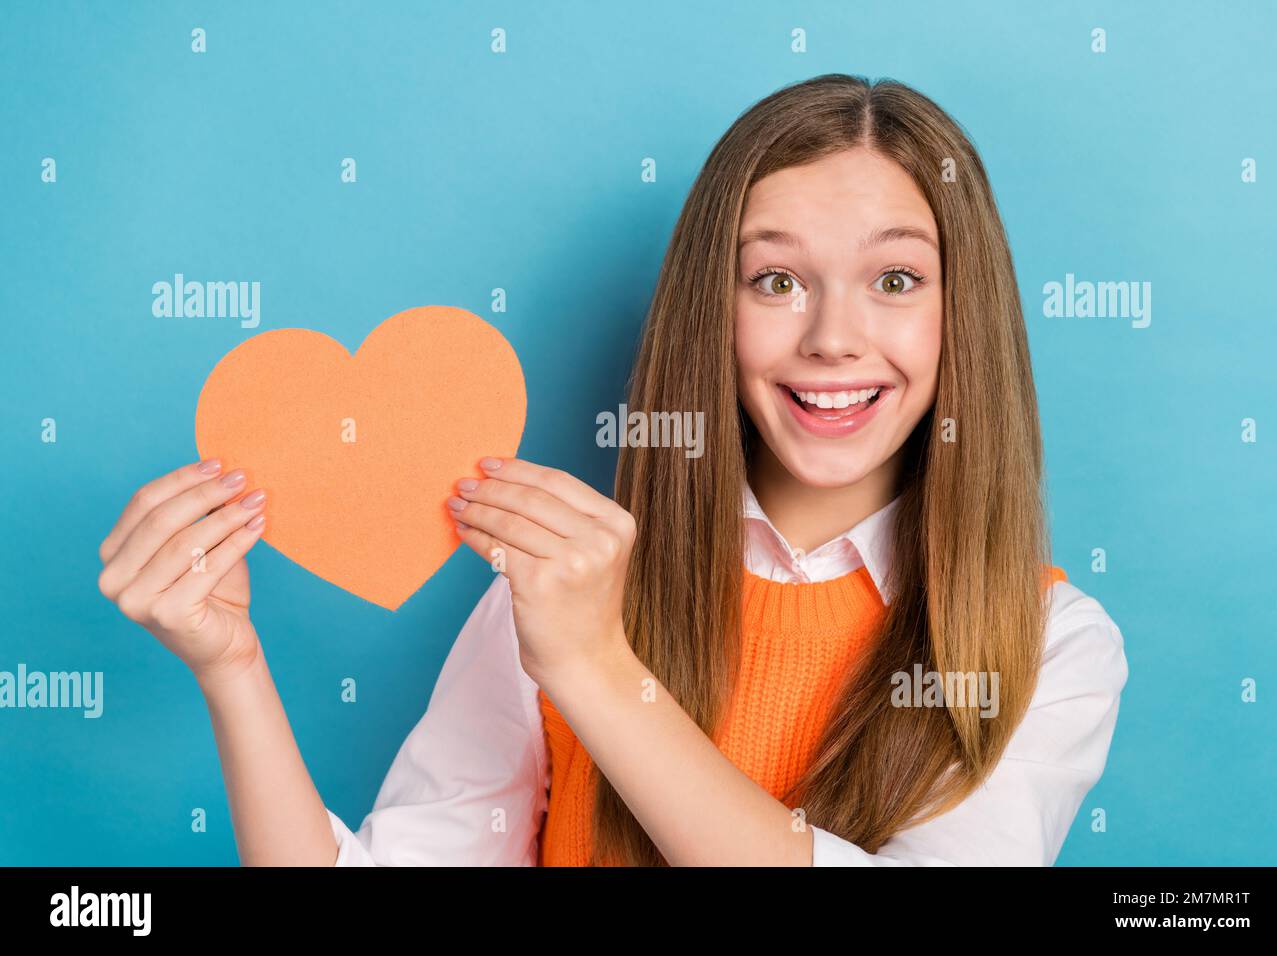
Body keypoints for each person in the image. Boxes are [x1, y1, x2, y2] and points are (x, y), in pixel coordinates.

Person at [97, 73, 1128, 866]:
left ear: (965, 315)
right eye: (774, 280)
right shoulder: (560, 593)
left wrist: (594, 666)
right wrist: (231, 665)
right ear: (709, 315)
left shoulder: (1050, 645)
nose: (832, 337)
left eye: (894, 278)